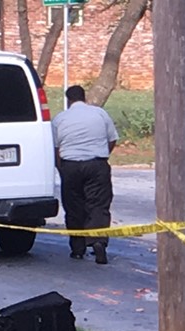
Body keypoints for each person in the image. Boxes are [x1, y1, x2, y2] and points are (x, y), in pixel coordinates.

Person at [52, 85, 119, 264]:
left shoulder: (60, 119)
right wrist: (100, 157)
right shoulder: (99, 114)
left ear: (68, 100)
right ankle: (98, 242)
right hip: (96, 164)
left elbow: (56, 149)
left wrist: (62, 170)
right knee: (98, 205)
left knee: (74, 207)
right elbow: (112, 140)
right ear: (84, 97)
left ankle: (77, 248)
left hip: (70, 165)